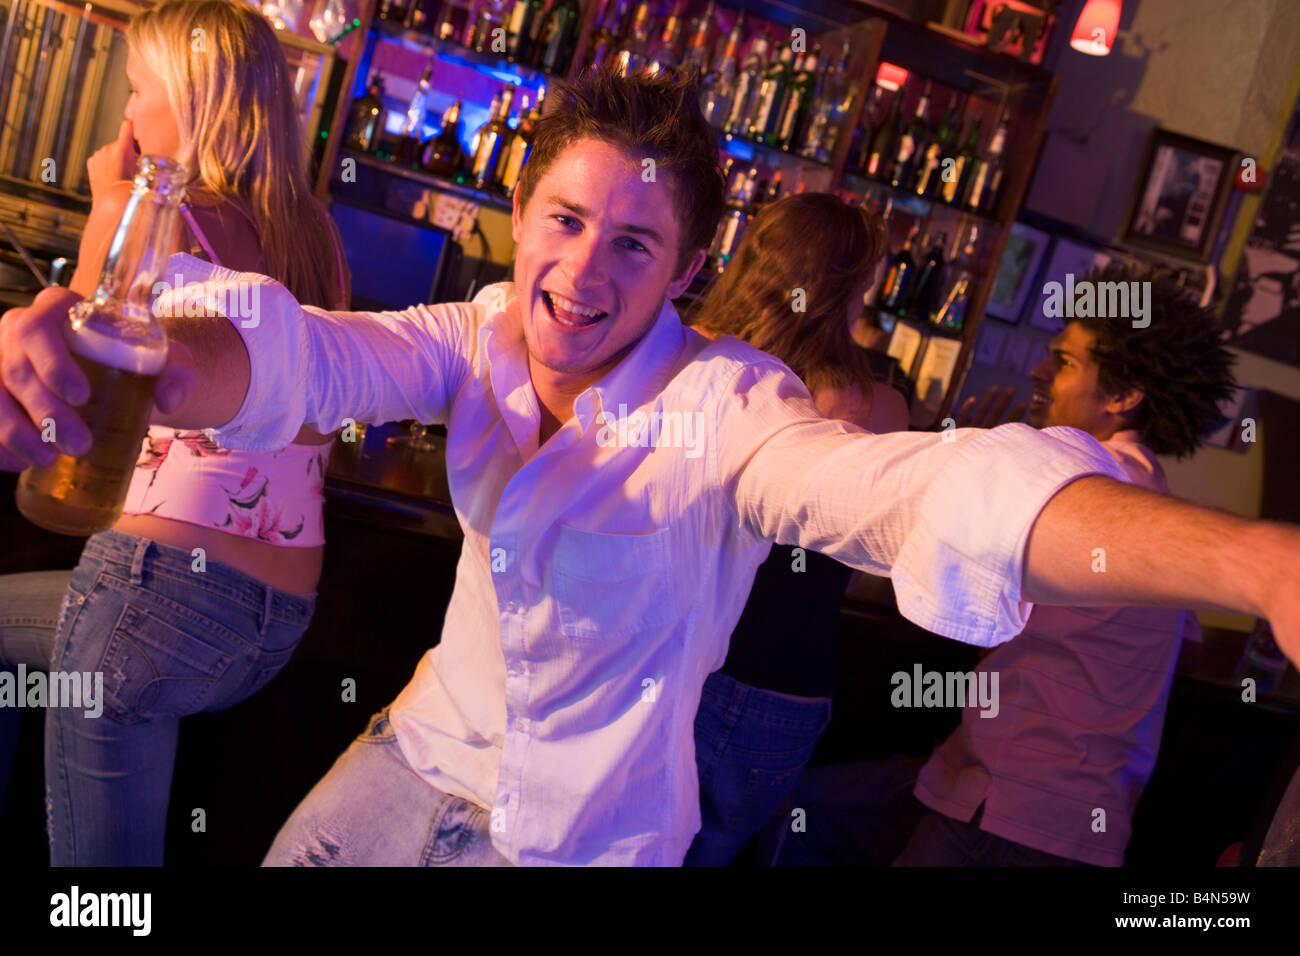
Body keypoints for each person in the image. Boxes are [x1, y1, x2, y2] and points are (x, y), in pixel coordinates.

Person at [2, 63, 1298, 867]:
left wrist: (1252, 558)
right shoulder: (479, 335)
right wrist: (142, 348)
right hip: (408, 769)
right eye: (565, 221)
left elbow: (920, 491)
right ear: (524, 214)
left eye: (635, 243)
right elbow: (308, 359)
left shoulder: (729, 407)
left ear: (689, 273)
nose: (582, 270)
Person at [0, 0, 348, 865]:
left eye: (137, 89)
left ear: (190, 103)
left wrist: (107, 201)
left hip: (148, 597)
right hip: (270, 626)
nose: (124, 113)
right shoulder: (319, 239)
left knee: (105, 891)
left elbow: (77, 401)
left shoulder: (140, 207)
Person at [893, 263, 1234, 866]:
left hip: (1005, 805)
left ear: (1126, 396)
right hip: (1080, 820)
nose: (1040, 370)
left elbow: (930, 571)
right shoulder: (1147, 490)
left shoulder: (1079, 485)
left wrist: (952, 457)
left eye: (1067, 361)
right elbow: (1188, 642)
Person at [681, 193, 909, 866]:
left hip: (677, 656)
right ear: (842, 285)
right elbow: (877, 554)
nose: (869, 300)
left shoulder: (695, 363)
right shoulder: (880, 405)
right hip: (782, 687)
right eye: (866, 283)